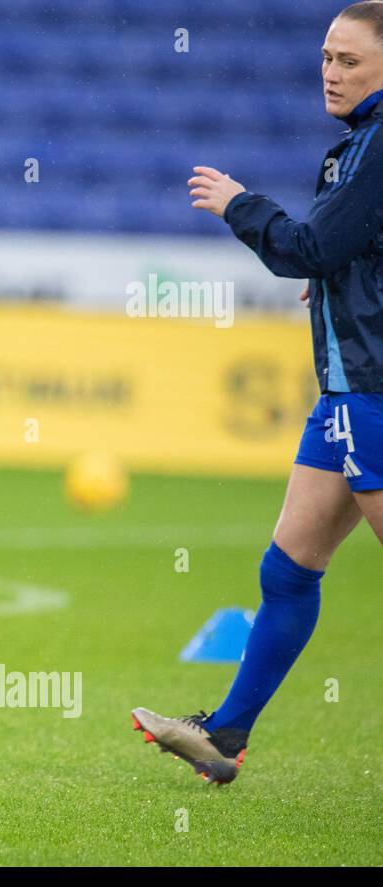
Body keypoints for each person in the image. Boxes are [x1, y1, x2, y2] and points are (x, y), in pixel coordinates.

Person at [133, 1, 383, 784]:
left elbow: (309, 246)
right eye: (326, 58)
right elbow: (343, 253)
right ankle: (226, 737)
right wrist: (342, 282)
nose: (331, 73)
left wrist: (240, 203)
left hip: (371, 395)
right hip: (343, 395)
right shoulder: (359, 146)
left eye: (349, 61)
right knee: (288, 569)